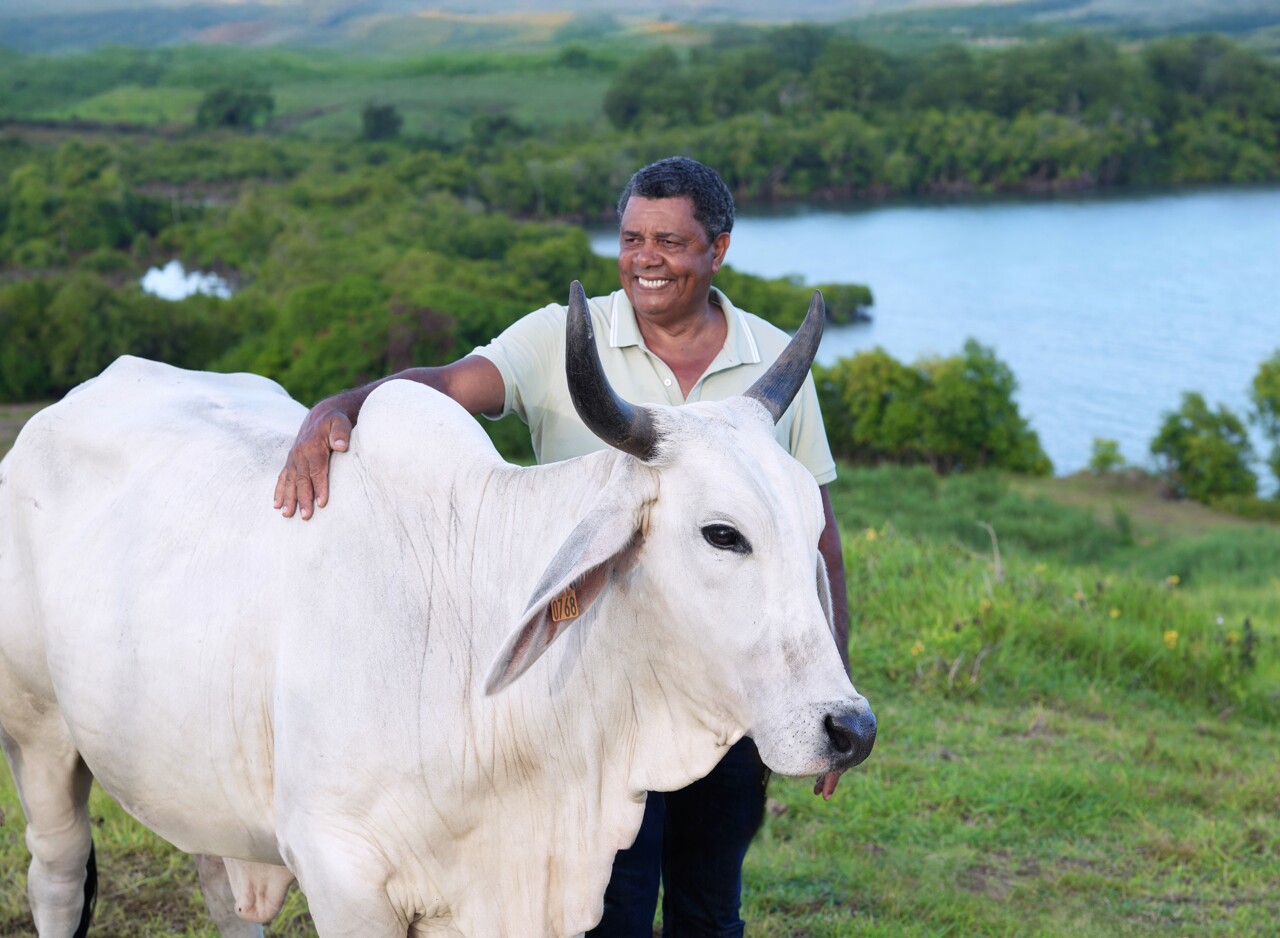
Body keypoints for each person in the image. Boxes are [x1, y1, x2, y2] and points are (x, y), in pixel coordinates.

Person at [274, 156, 850, 937]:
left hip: (729, 684)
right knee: (607, 911)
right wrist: (337, 406)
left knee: (709, 910)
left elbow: (816, 536)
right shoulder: (558, 339)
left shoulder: (775, 366)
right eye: (632, 239)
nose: (646, 259)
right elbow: (445, 385)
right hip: (589, 688)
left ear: (717, 249)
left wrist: (830, 688)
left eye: (671, 241)